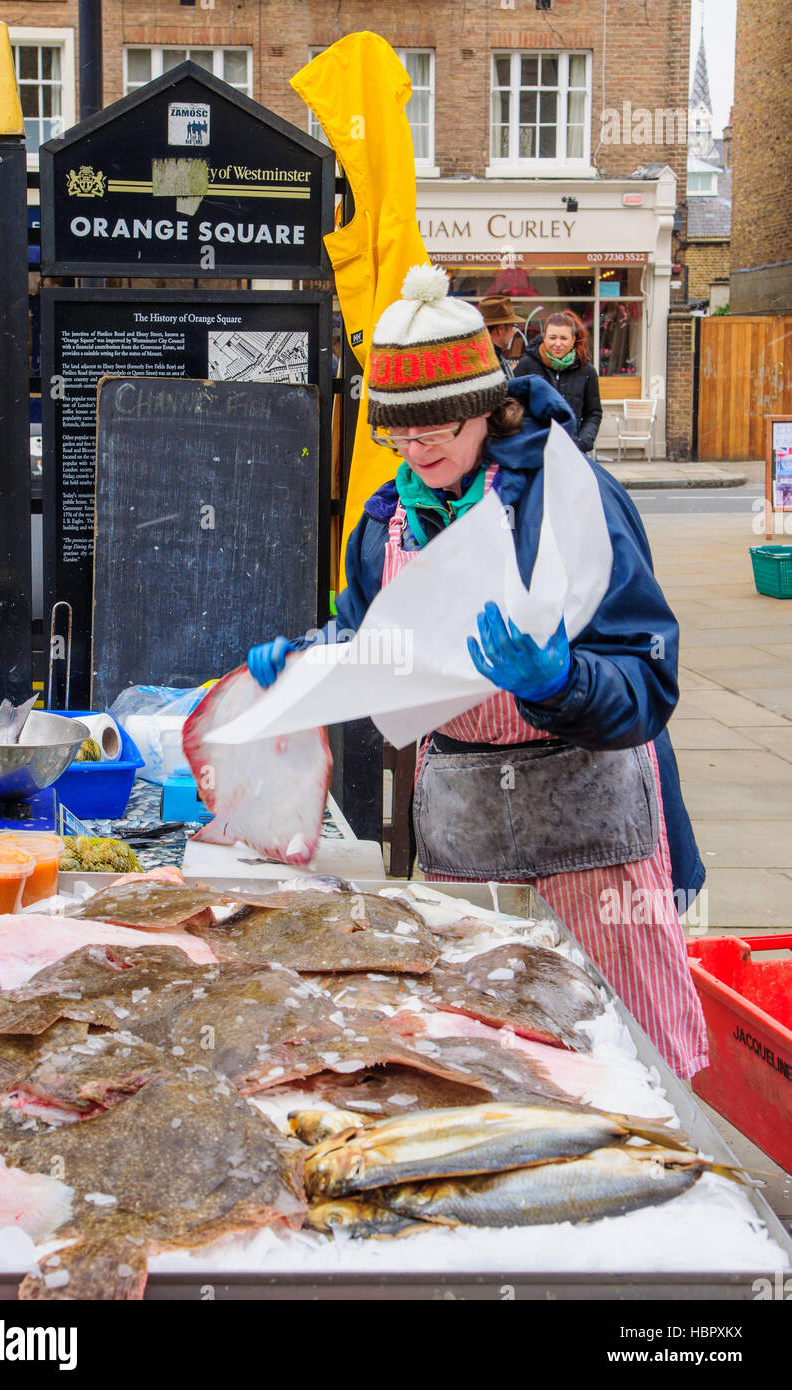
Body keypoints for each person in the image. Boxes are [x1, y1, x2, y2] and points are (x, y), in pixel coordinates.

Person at [247, 265, 707, 1079]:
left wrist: (561, 681)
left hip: (595, 837)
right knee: (489, 1062)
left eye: (434, 431)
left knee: (630, 1068)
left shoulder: (575, 500)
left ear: (485, 411)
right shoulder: (387, 517)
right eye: (398, 434)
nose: (414, 449)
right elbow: (373, 641)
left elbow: (649, 679)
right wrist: (316, 662)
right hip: (468, 841)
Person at [513, 309, 602, 456]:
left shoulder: (586, 370)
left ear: (573, 339)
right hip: (534, 452)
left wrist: (582, 441)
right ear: (544, 338)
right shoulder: (527, 365)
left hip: (573, 451)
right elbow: (512, 406)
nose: (558, 344)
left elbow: (593, 412)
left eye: (564, 338)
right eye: (553, 338)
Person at [478, 294, 525, 379]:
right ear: (501, 329)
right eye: (513, 326)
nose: (514, 331)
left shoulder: (490, 354)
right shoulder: (489, 361)